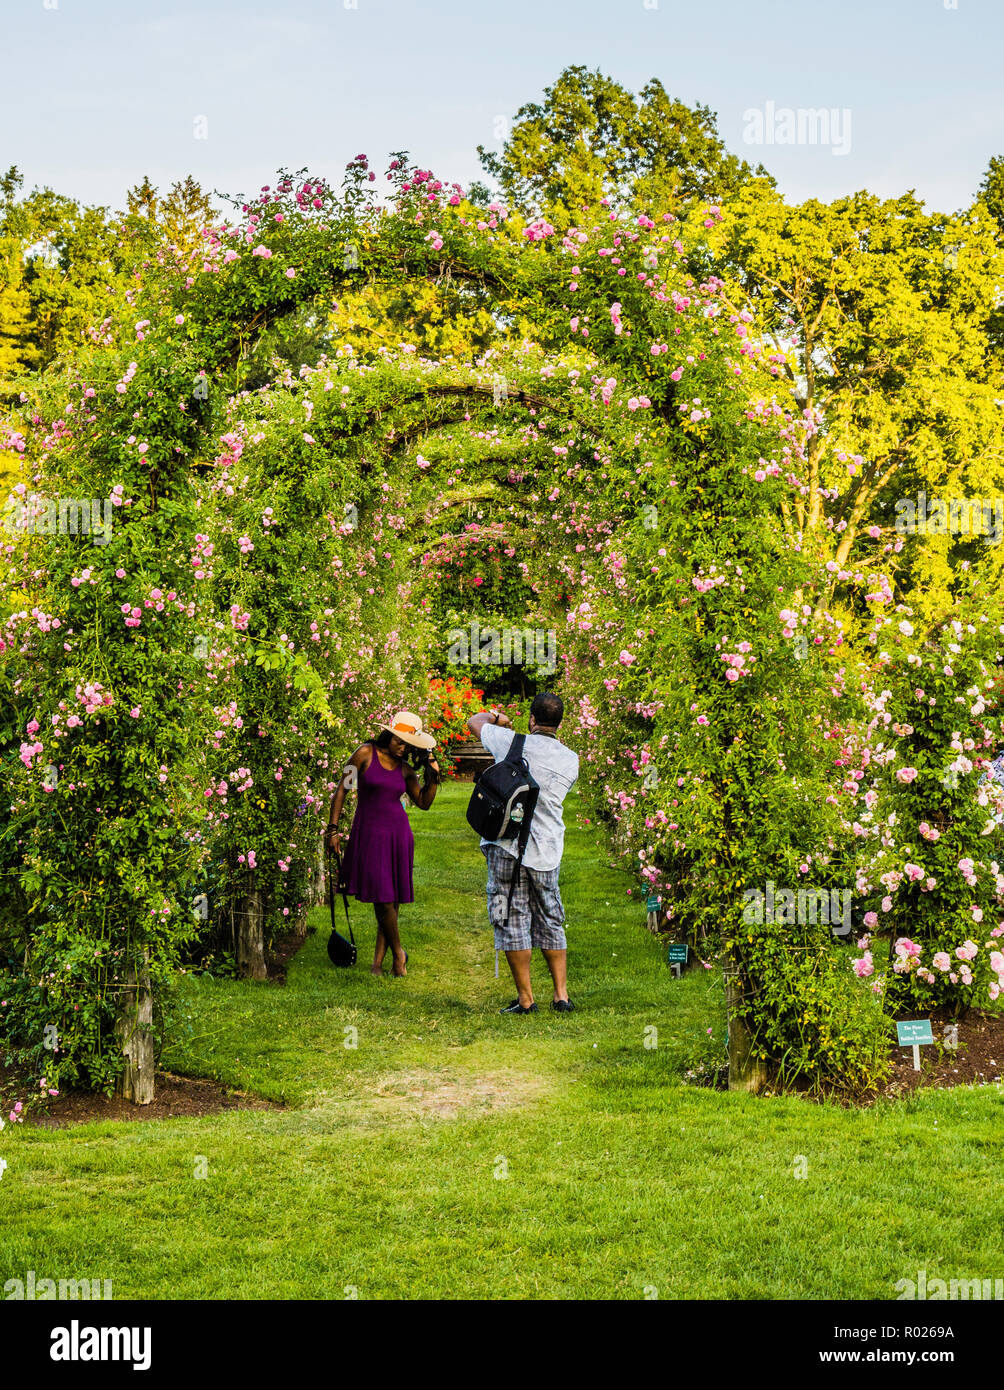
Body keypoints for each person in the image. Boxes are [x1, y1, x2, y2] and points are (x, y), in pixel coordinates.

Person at [468, 692, 579, 1014]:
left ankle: (526, 999)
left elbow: (474, 721)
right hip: (546, 850)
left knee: (511, 919)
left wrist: (499, 718)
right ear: (560, 723)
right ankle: (561, 995)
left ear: (532, 719)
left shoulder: (510, 742)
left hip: (507, 846)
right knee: (550, 917)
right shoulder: (570, 759)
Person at [325, 710, 440, 977]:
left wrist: (433, 774)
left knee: (390, 900)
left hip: (398, 836)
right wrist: (333, 829)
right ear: (388, 734)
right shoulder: (364, 754)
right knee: (382, 898)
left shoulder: (406, 770)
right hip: (369, 833)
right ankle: (399, 954)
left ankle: (380, 963)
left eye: (408, 745)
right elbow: (343, 788)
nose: (403, 747)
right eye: (399, 741)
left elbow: (423, 802)